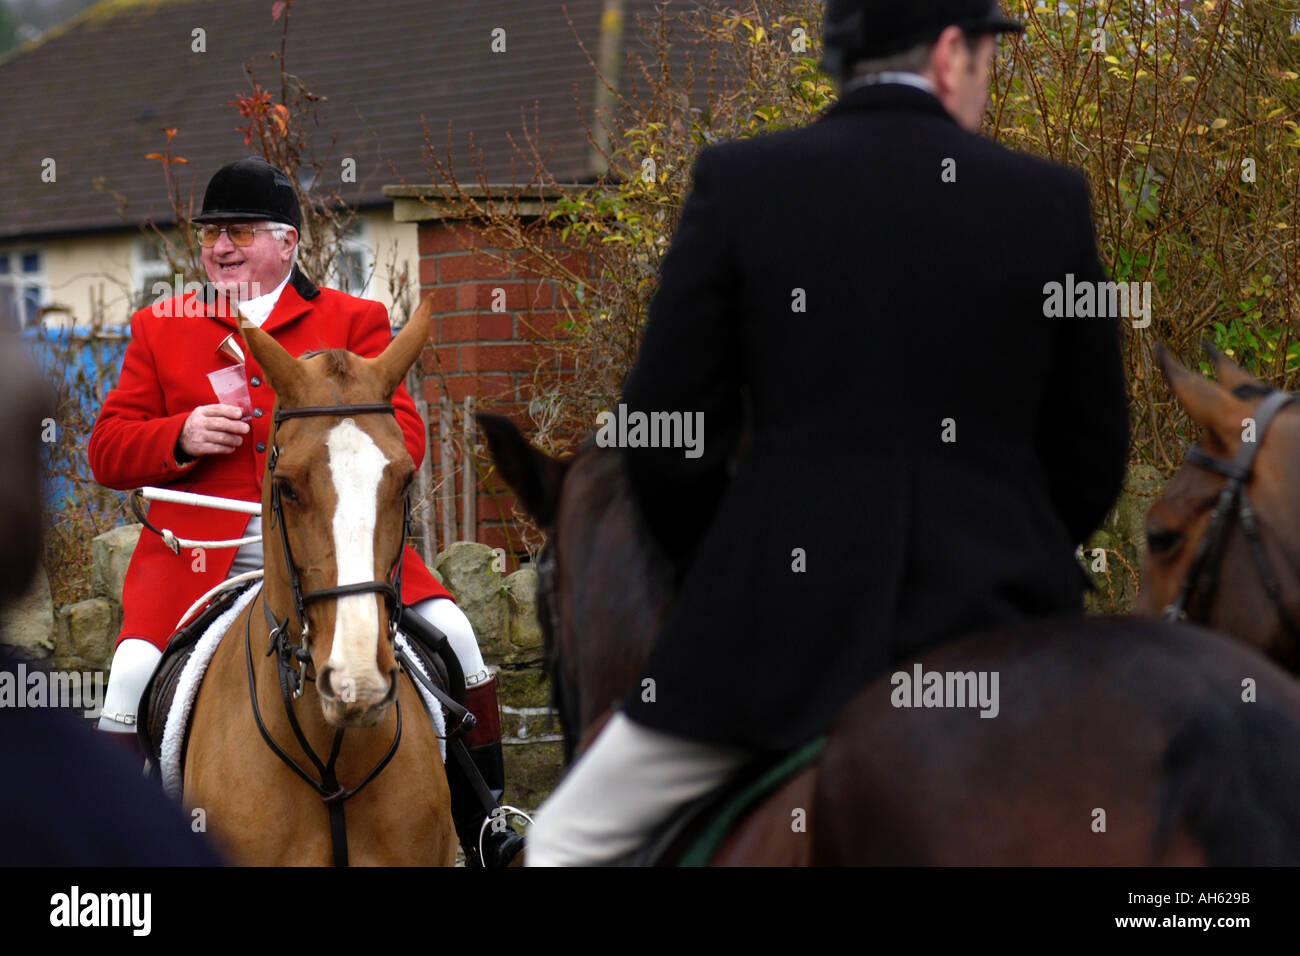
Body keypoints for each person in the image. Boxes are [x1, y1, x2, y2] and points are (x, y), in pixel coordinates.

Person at [526, 0, 1130, 865]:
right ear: (953, 53)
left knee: (562, 841)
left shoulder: (741, 183)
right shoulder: (1049, 200)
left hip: (778, 643)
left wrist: (733, 568)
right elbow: (1093, 450)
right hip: (1005, 634)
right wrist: (1012, 544)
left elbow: (660, 430)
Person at [88, 157, 521, 867]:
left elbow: (404, 437)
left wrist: (334, 441)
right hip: (201, 557)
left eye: (240, 234)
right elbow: (105, 450)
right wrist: (180, 434)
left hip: (340, 545)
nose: (220, 249)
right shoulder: (162, 326)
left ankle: (483, 826)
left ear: (287, 243)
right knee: (132, 673)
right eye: (211, 236)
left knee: (457, 634)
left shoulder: (353, 320)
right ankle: (112, 853)